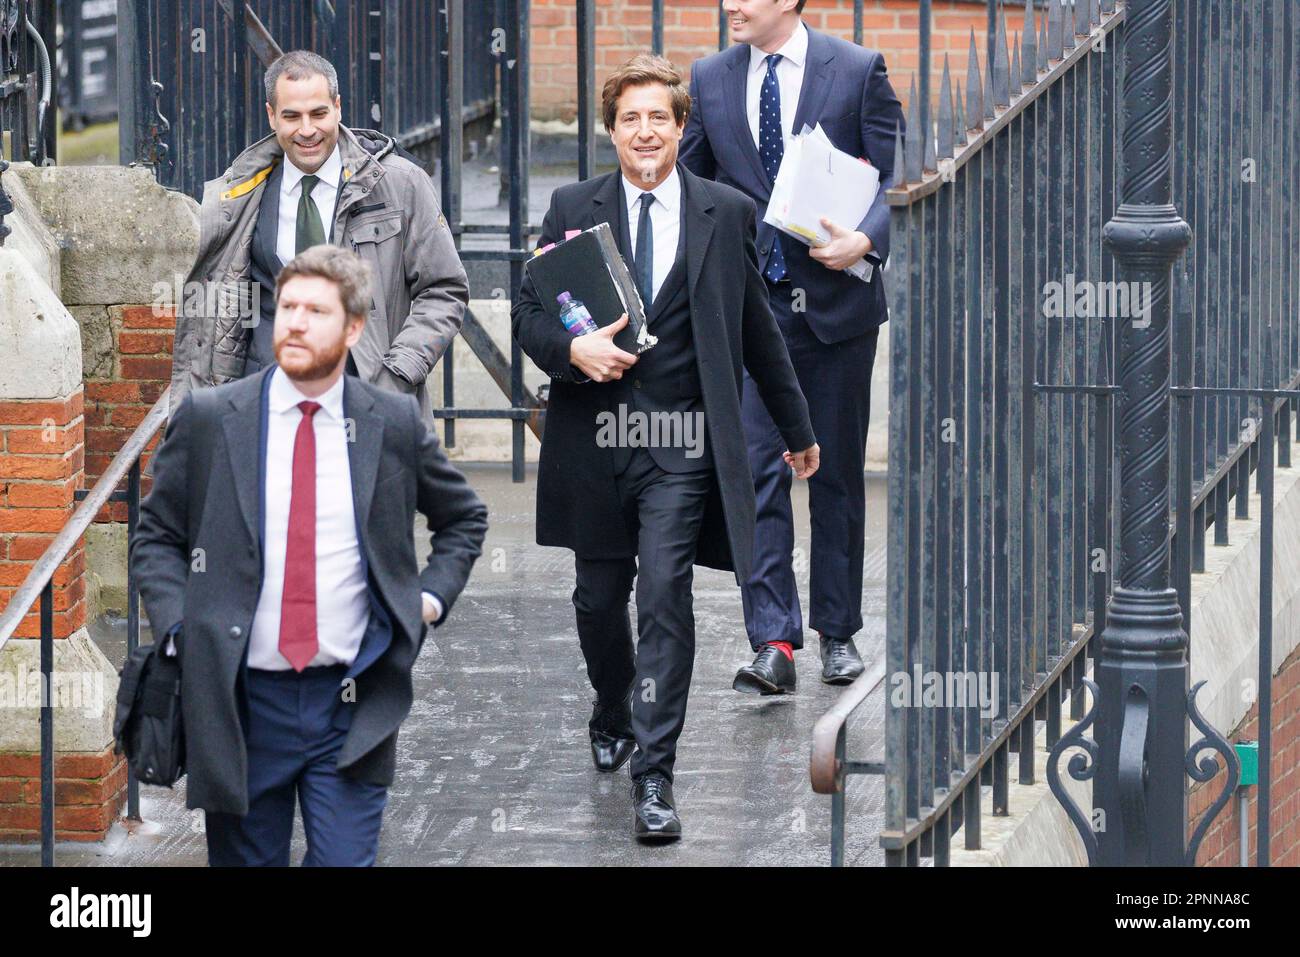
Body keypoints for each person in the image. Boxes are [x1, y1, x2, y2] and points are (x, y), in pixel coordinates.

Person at [511, 54, 818, 841]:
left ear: (682, 128)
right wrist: (572, 353)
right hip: (593, 439)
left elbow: (758, 329)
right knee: (597, 602)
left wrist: (797, 429)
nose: (645, 132)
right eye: (630, 119)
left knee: (665, 600)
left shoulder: (726, 211)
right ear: (611, 130)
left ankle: (655, 774)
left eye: (660, 118)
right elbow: (530, 315)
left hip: (680, 445)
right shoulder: (571, 205)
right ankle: (613, 703)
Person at [132, 245, 488, 866]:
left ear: (353, 328)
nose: (293, 323)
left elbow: (463, 517)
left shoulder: (390, 422)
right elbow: (158, 536)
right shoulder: (213, 419)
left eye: (315, 311)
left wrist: (426, 600)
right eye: (286, 306)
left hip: (350, 703)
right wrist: (181, 629)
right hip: (241, 706)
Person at [680, 0, 905, 693]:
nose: (730, 6)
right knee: (752, 473)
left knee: (833, 473)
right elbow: (689, 180)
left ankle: (838, 632)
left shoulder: (858, 69)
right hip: (750, 311)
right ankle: (773, 637)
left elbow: (898, 176)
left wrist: (864, 239)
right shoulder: (711, 76)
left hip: (835, 310)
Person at [170, 49, 468, 417]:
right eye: (292, 116)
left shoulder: (401, 184)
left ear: (338, 107)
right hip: (267, 406)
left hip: (369, 402)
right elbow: (220, 304)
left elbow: (444, 290)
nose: (307, 130)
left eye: (319, 114)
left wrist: (398, 373)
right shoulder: (239, 194)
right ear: (271, 116)